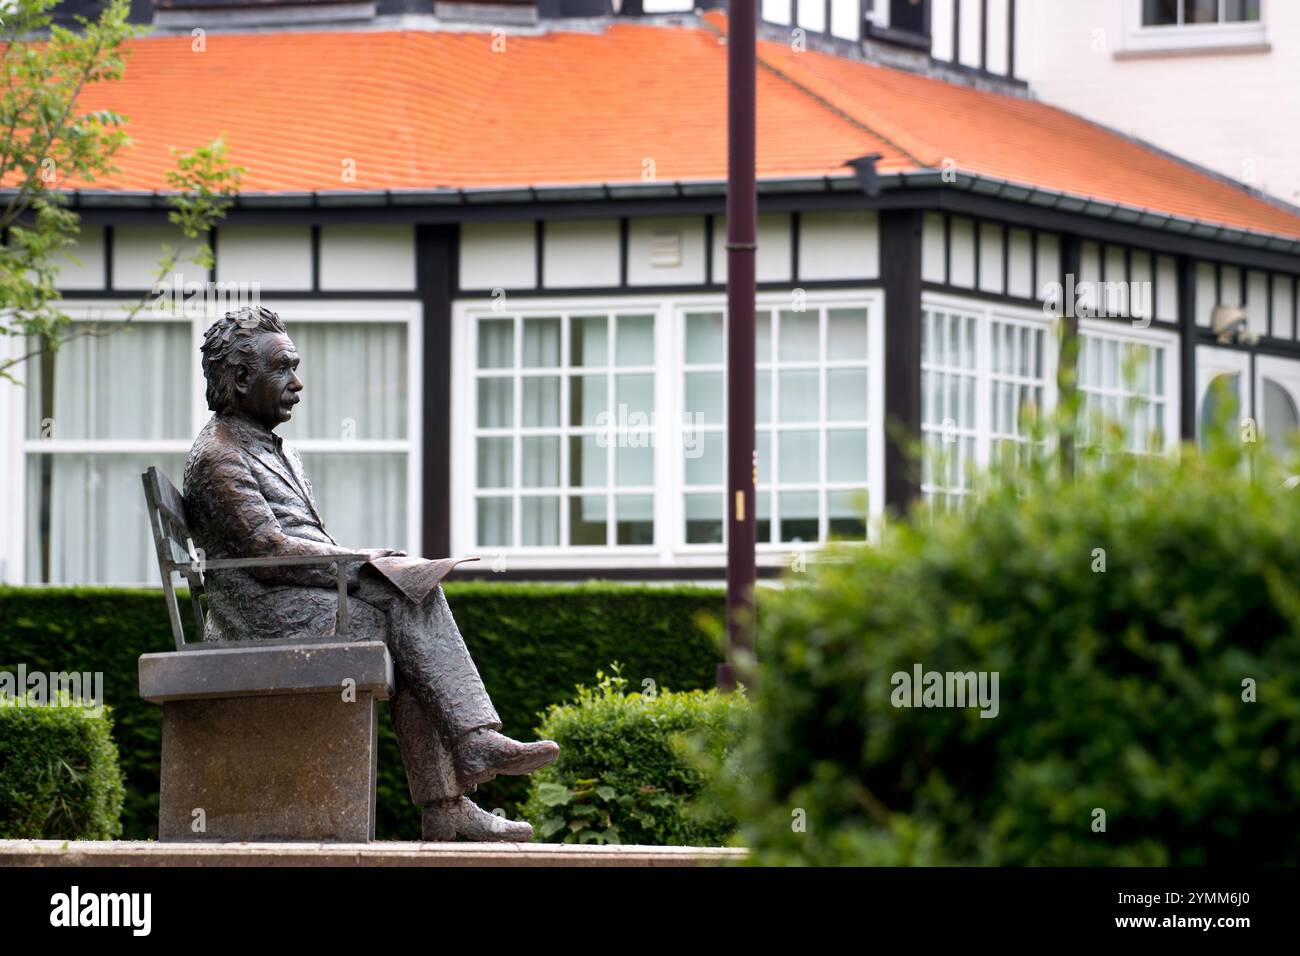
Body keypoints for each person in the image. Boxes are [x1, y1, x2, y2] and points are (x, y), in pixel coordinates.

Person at [183, 305, 557, 841]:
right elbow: (265, 552)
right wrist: (360, 564)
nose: (298, 382)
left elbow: (292, 543)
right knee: (409, 606)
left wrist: (371, 565)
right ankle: (458, 777)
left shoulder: (266, 446)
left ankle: (462, 773)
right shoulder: (218, 455)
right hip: (261, 617)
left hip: (292, 598)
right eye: (284, 369)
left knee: (412, 593)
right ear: (241, 379)